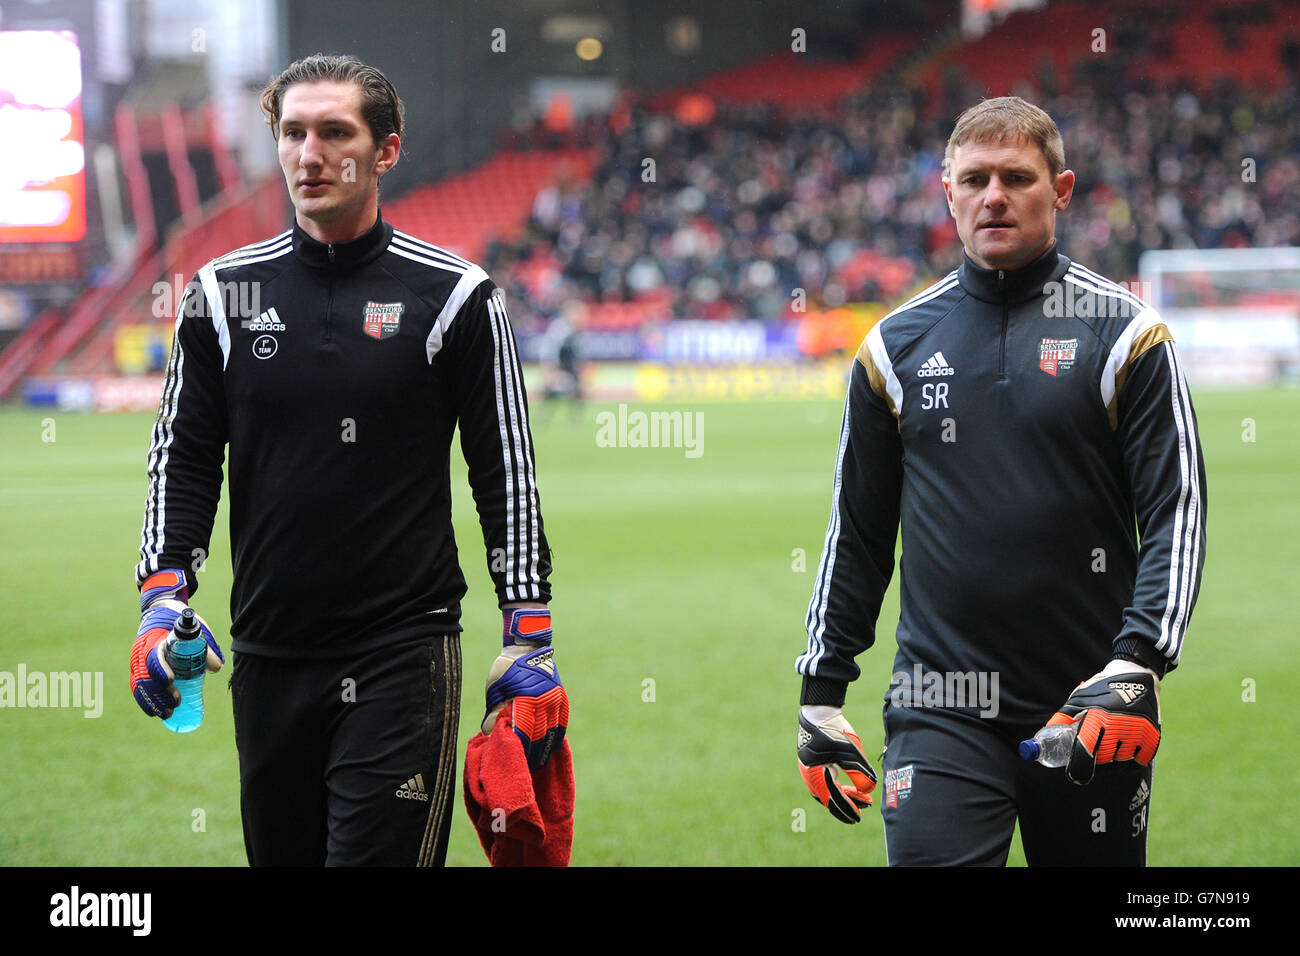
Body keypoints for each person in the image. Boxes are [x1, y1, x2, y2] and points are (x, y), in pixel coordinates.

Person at [129, 54, 568, 866]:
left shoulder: (458, 296)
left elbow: (504, 467)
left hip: (404, 653)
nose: (309, 153)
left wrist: (529, 631)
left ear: (386, 151)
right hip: (265, 652)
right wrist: (162, 596)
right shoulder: (221, 294)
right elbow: (183, 457)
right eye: (292, 133)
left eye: (336, 132)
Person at [794, 96, 1205, 866]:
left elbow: (1177, 512)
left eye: (1017, 177)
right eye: (975, 178)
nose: (994, 195)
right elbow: (857, 531)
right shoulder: (894, 348)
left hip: (1088, 701)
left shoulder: (1127, 335)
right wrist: (821, 691)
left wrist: (1139, 661)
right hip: (938, 705)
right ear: (947, 192)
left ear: (1062, 189)